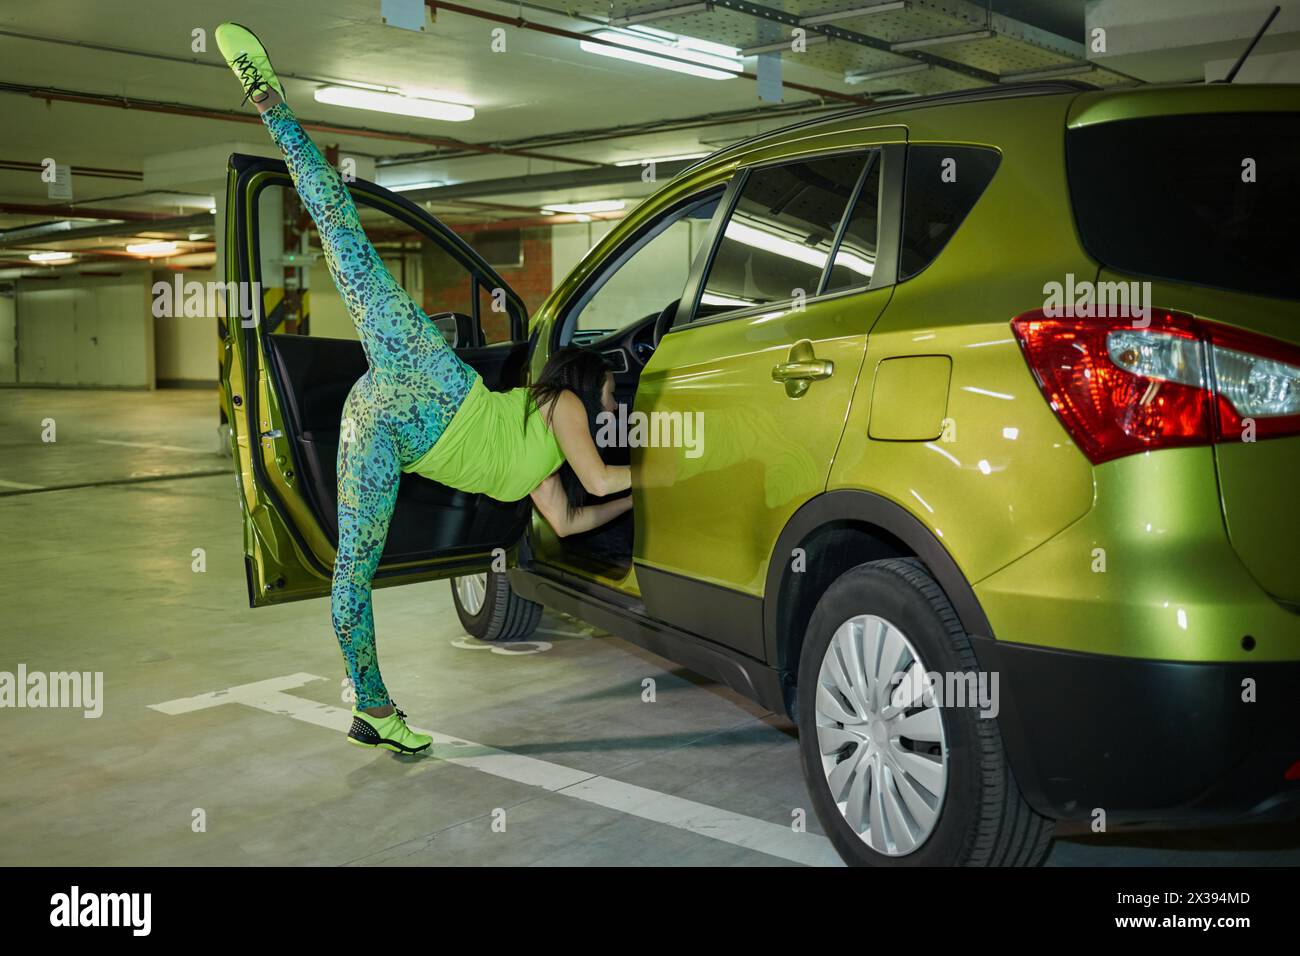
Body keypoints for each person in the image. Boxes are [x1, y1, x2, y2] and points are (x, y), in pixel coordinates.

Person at [215, 23, 632, 755]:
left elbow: (569, 521)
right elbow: (596, 477)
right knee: (342, 236)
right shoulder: (561, 407)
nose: (607, 411)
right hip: (430, 394)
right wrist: (665, 477)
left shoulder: (541, 472)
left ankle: (371, 709)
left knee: (355, 568)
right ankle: (266, 96)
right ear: (588, 386)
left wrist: (630, 497)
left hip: (392, 420)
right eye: (609, 398)